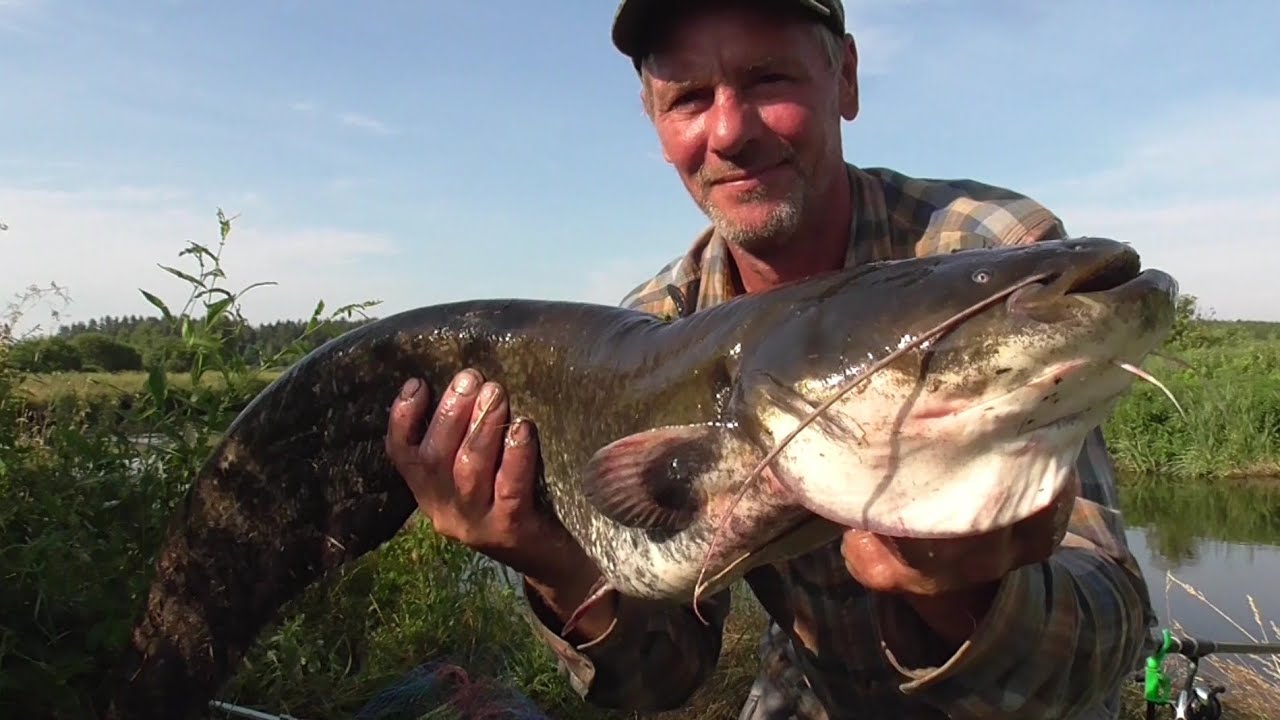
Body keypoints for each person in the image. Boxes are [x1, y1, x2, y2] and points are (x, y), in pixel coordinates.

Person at [383, 1, 1157, 717]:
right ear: (654, 121)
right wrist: (547, 560)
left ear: (845, 77)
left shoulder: (989, 257)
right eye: (688, 97)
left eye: (769, 78)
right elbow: (662, 679)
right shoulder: (653, 328)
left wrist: (966, 596)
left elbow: (1104, 636)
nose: (728, 132)